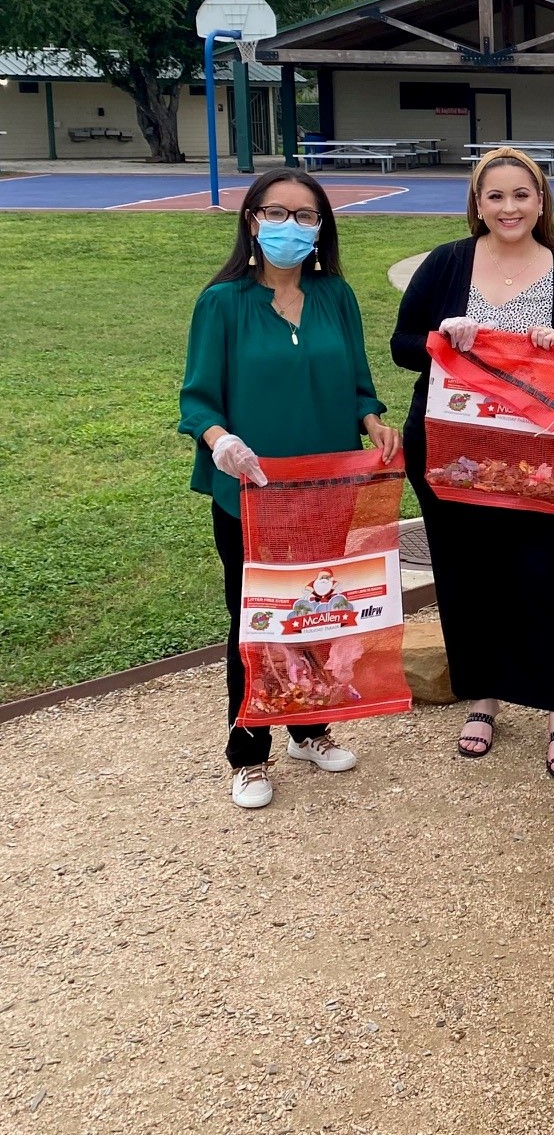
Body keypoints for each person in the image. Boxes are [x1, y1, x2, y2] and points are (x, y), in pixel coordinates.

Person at [179, 168, 401, 811]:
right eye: (277, 213)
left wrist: (372, 422)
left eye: (306, 216)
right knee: (256, 619)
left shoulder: (337, 295)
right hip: (251, 491)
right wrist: (221, 441)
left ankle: (308, 726)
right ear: (252, 220)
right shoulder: (222, 303)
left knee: (317, 608)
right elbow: (197, 401)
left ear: (321, 229)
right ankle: (248, 751)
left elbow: (360, 383)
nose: (292, 226)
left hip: (326, 487)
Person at [391, 146, 554, 777]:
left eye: (521, 195)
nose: (509, 207)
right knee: (466, 578)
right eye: (496, 196)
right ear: (477, 205)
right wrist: (441, 339)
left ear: (541, 202)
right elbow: (403, 347)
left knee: (537, 578)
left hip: (533, 466)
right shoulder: (449, 263)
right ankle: (482, 696)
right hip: (450, 459)